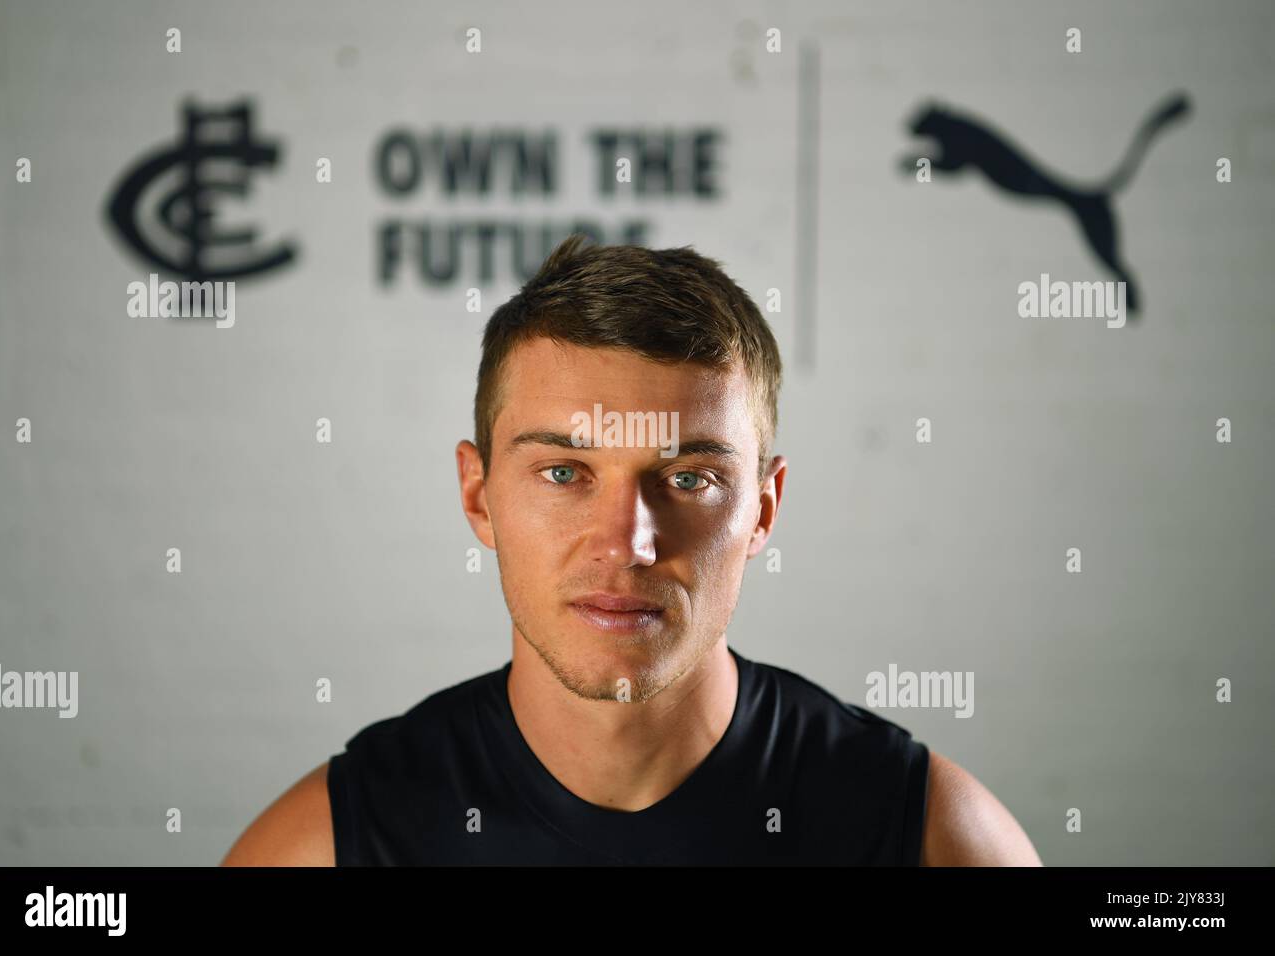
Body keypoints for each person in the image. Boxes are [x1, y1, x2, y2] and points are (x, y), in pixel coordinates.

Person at [222, 234, 1041, 866]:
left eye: (688, 479)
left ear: (762, 510)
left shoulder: (932, 838)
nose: (627, 543)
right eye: (565, 471)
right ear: (479, 496)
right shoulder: (330, 843)